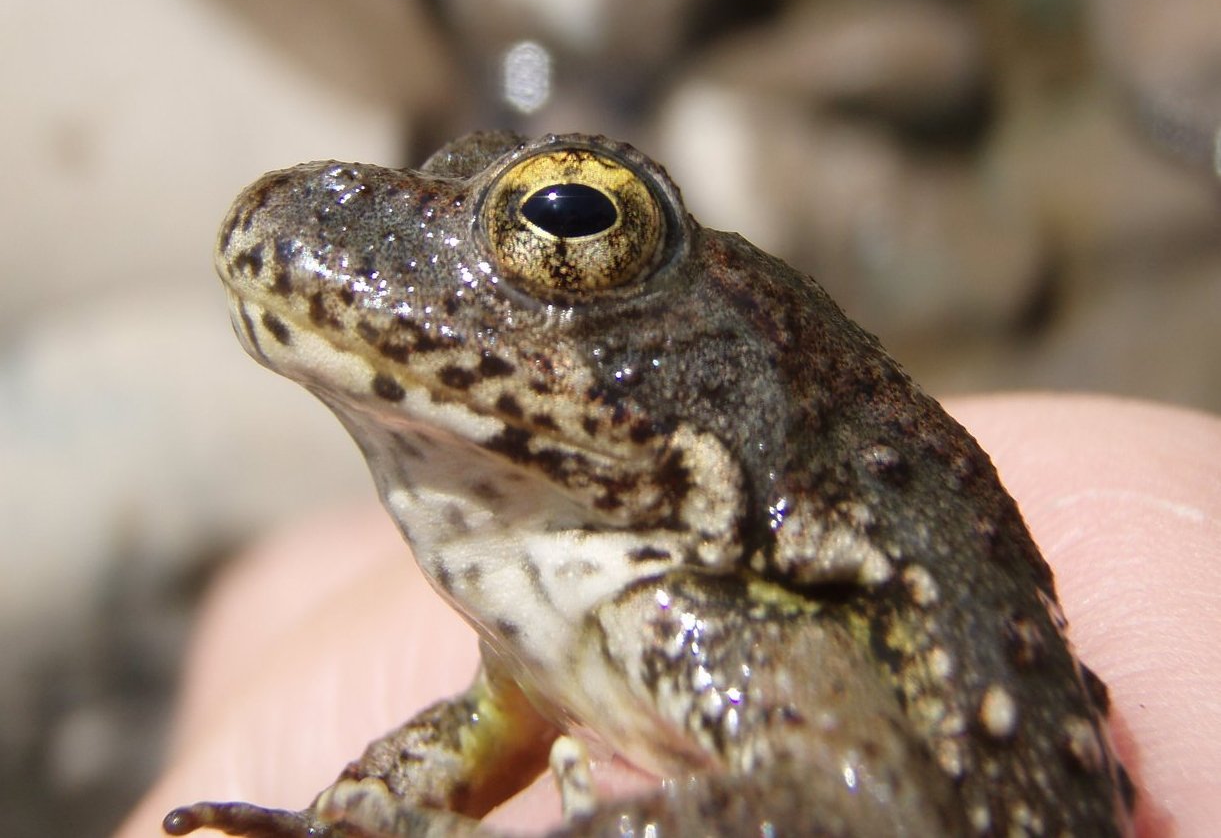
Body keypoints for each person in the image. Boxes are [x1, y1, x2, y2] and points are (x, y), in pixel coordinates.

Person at [119, 395, 1221, 836]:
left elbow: (849, 792)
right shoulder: (579, 619)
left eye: (562, 230)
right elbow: (484, 729)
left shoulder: (710, 613)